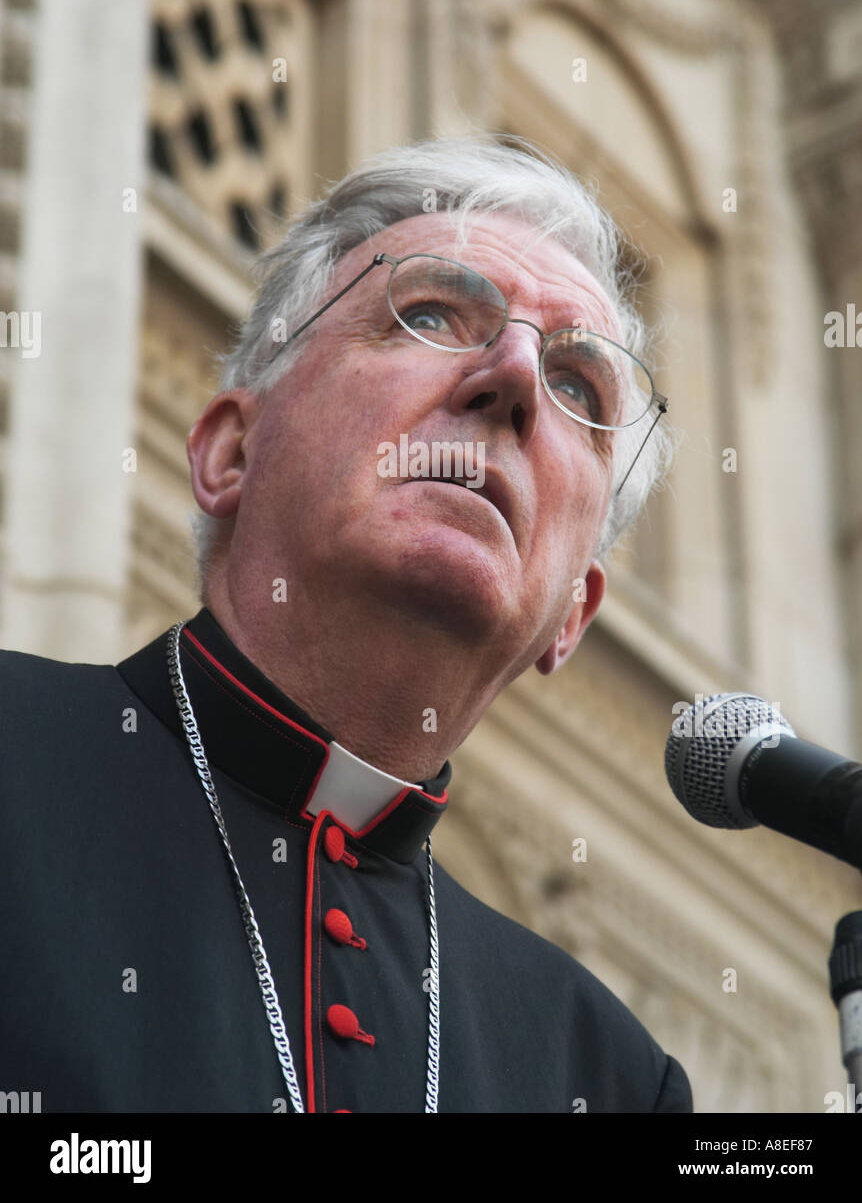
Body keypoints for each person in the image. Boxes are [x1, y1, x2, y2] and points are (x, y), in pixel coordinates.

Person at [0, 135, 689, 1113]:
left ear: (569, 613)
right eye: (429, 314)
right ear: (233, 450)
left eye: (577, 386)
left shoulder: (607, 1079)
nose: (514, 379)